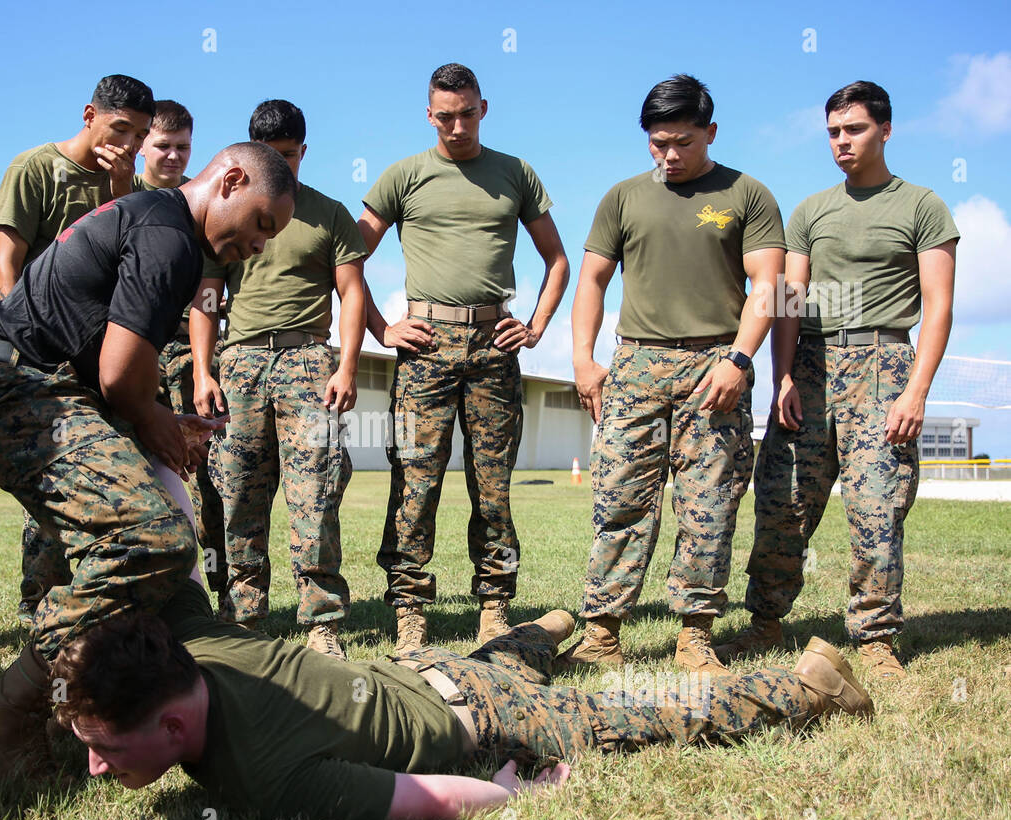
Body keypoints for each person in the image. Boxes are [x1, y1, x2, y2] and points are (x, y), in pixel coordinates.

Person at [0, 142, 296, 780]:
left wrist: (160, 419)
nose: (260, 246)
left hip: (22, 386)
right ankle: (1, 710)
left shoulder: (160, 224)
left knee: (96, 552)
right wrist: (152, 420)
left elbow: (119, 370)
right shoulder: (172, 237)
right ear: (231, 180)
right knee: (153, 539)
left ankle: (64, 708)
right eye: (262, 224)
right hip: (12, 390)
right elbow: (119, 377)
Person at [54, 576, 873, 820]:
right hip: (421, 664)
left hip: (479, 716)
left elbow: (435, 795)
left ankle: (806, 685)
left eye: (107, 749)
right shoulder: (188, 642)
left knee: (637, 716)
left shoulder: (266, 778)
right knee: (500, 659)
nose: (94, 769)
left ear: (169, 722)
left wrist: (514, 792)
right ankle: (543, 632)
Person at [724, 82, 959, 679]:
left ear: (885, 129)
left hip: (885, 365)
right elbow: (789, 298)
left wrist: (916, 391)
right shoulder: (811, 210)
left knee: (877, 508)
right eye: (833, 131)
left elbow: (939, 306)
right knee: (783, 500)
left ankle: (876, 638)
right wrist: (781, 379)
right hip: (810, 365)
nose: (841, 142)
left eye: (853, 129)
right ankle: (765, 623)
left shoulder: (922, 206)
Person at [567, 74, 784, 677]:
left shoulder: (748, 195)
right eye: (658, 143)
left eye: (683, 142)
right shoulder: (622, 197)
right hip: (634, 364)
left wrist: (740, 360)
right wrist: (584, 360)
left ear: (710, 132)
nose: (669, 155)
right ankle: (602, 633)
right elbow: (591, 281)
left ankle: (695, 635)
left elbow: (768, 285)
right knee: (619, 498)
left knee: (708, 502)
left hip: (715, 365)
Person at [359, 63, 570, 653]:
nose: (457, 126)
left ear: (484, 109)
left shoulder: (515, 173)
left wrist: (534, 326)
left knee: (494, 487)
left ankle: (495, 608)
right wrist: (382, 327)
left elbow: (558, 260)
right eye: (445, 116)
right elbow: (348, 256)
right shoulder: (404, 176)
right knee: (414, 484)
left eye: (467, 113)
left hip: (492, 349)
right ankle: (408, 614)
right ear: (429, 115)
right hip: (425, 349)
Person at [191, 99, 367, 659]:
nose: (284, 166)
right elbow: (206, 297)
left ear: (303, 153)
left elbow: (352, 292)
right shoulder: (235, 211)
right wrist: (202, 369)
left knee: (314, 493)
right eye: (273, 156)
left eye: (291, 156)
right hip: (240, 362)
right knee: (238, 489)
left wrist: (346, 365)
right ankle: (244, 616)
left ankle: (322, 621)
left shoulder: (329, 213)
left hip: (307, 363)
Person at [0, 74, 156, 628]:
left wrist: (122, 184)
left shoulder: (130, 186)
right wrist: (31, 345)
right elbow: (5, 267)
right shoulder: (35, 168)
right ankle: (39, 608)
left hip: (99, 358)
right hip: (41, 357)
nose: (128, 143)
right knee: (55, 484)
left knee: (110, 485)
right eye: (119, 129)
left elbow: (129, 260)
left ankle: (97, 607)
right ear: (89, 115)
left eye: (140, 135)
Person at [135, 100, 230, 612]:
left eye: (183, 147)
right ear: (143, 146)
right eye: (163, 146)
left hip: (188, 353)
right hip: (131, 351)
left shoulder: (200, 202)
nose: (173, 156)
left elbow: (210, 292)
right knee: (138, 469)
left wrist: (204, 366)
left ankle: (209, 594)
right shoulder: (124, 197)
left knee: (206, 474)